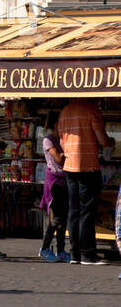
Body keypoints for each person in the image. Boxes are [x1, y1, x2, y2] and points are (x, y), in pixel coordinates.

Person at [59, 96, 112, 265]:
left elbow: (62, 139)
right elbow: (103, 140)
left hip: (70, 165)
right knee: (87, 211)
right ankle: (87, 253)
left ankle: (74, 253)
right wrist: (111, 142)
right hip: (88, 165)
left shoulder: (65, 111)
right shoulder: (92, 110)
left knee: (74, 211)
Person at [38, 121, 69, 262]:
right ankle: (44, 248)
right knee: (56, 218)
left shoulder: (63, 139)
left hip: (65, 180)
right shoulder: (48, 140)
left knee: (63, 218)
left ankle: (61, 250)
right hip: (54, 182)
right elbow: (58, 158)